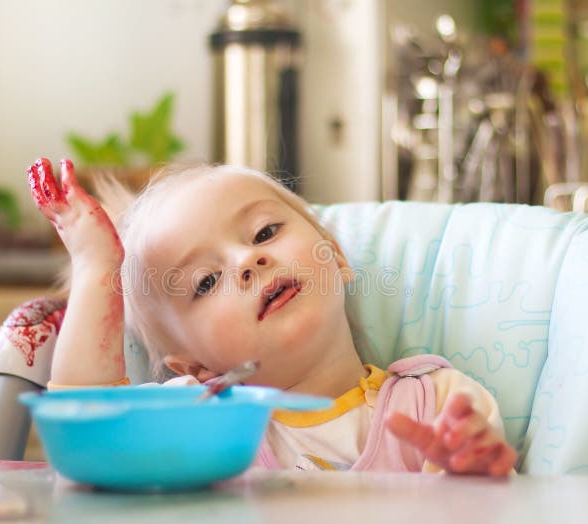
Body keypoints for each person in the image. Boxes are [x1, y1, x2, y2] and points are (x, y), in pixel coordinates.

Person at [28, 157, 517, 476]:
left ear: (337, 258)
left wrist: (472, 484)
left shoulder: (438, 406)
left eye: (264, 233)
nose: (247, 262)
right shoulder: (199, 420)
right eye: (205, 281)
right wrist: (95, 266)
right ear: (196, 369)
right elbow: (84, 434)